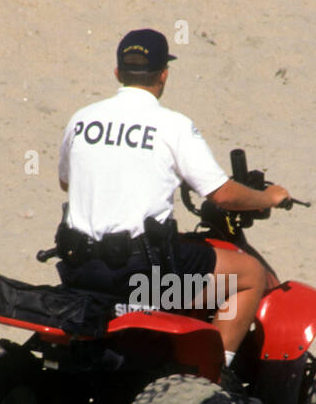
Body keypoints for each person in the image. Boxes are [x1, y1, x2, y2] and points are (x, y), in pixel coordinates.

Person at [56, 28, 291, 368]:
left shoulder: (82, 119)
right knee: (251, 274)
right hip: (144, 279)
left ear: (118, 73)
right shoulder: (173, 126)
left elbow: (67, 183)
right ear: (164, 74)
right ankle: (212, 379)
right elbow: (222, 194)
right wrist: (267, 198)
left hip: (79, 269)